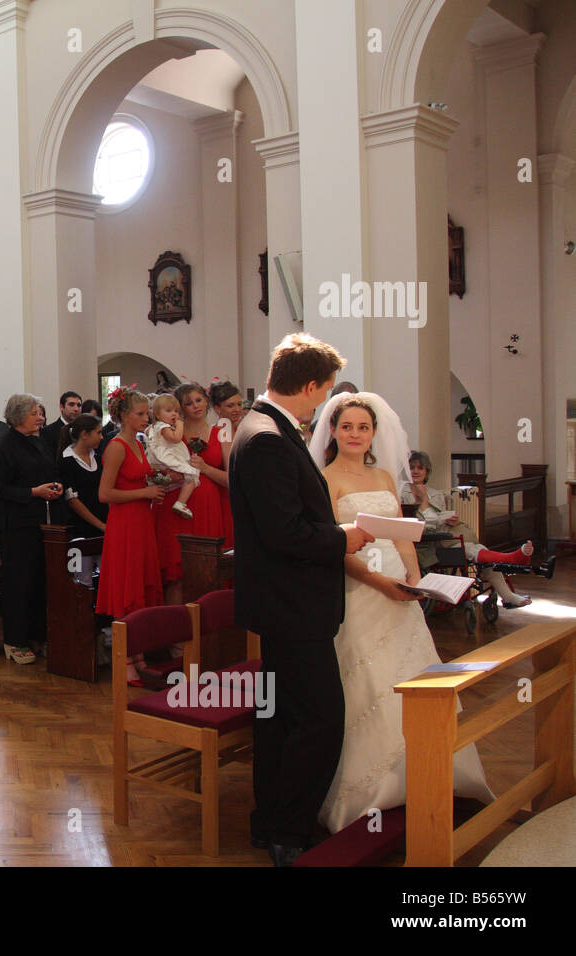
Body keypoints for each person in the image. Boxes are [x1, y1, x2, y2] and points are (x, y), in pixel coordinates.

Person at [309, 393, 494, 833]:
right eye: (347, 426)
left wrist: (416, 579)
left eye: (363, 427)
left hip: (401, 588)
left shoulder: (385, 477)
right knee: (368, 681)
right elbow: (334, 548)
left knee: (414, 676)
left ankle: (429, 777)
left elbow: (403, 537)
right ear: (332, 430)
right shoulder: (324, 479)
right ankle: (367, 794)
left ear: (374, 433)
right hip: (359, 589)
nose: (355, 434)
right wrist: (380, 584)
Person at [229, 332, 373, 866]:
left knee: (280, 718)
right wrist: (344, 538)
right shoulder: (267, 436)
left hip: (281, 603)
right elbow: (285, 533)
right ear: (310, 385)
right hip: (291, 606)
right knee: (318, 720)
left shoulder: (261, 426)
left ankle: (272, 826)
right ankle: (289, 829)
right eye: (326, 390)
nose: (326, 400)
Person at [404, 451, 543, 607]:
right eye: (412, 468)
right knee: (473, 551)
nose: (415, 471)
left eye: (419, 468)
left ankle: (508, 595)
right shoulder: (403, 493)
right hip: (425, 543)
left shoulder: (435, 494)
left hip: (444, 535)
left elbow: (440, 516)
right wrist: (425, 504)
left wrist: (450, 519)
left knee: (480, 552)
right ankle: (512, 561)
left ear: (426, 471)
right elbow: (411, 522)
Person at [0, 393, 62, 664]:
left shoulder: (39, 442)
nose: (40, 417)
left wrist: (56, 485)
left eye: (40, 413)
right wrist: (33, 492)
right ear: (19, 416)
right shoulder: (6, 446)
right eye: (35, 413)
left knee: (38, 581)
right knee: (19, 583)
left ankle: (37, 634)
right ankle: (15, 640)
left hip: (40, 521)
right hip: (16, 523)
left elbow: (50, 471)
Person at [153, 383, 227, 603]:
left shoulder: (220, 432)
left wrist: (206, 468)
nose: (196, 406)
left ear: (206, 401)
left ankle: (207, 634)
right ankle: (176, 632)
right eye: (188, 403)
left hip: (209, 507)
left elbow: (233, 478)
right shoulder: (170, 433)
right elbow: (156, 470)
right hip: (177, 506)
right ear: (180, 409)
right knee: (178, 575)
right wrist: (170, 477)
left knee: (208, 573)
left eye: (199, 400)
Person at [95, 389, 165, 621]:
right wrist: (144, 492)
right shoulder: (116, 446)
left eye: (147, 414)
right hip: (125, 521)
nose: (147, 419)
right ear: (125, 416)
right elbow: (104, 493)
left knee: (143, 576)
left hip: (142, 517)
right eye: (141, 414)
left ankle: (142, 638)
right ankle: (127, 645)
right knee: (130, 578)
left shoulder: (137, 442)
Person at [145, 394, 200, 519]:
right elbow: (175, 438)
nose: (174, 414)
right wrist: (180, 425)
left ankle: (177, 502)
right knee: (191, 474)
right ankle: (181, 503)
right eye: (169, 411)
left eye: (176, 411)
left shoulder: (154, 427)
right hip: (167, 457)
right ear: (158, 415)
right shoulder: (164, 427)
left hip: (160, 460)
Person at [56, 414, 109, 543]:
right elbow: (72, 500)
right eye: (98, 433)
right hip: (81, 528)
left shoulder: (97, 457)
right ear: (84, 434)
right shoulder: (67, 461)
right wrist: (101, 525)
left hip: (103, 524)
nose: (101, 437)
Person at [208, 381, 244, 549]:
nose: (237, 409)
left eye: (239, 404)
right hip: (227, 497)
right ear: (217, 408)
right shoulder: (224, 430)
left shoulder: (237, 429)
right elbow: (233, 474)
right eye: (230, 405)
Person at [40, 390, 82, 455]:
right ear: (61, 407)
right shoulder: (48, 432)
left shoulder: (84, 430)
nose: (76, 409)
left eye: (79, 405)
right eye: (71, 405)